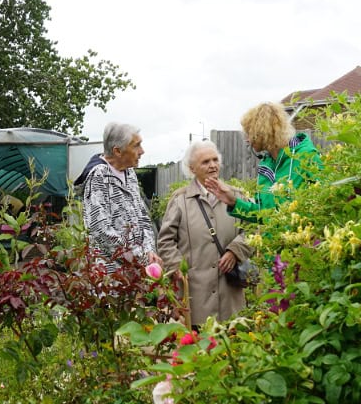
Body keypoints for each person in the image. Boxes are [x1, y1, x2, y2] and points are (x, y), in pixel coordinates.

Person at [158, 141, 252, 325]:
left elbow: (252, 229)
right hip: (195, 297)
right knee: (198, 350)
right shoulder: (180, 201)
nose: (212, 165)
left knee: (232, 345)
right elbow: (165, 241)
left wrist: (235, 250)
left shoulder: (236, 196)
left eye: (215, 160)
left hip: (230, 296)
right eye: (205, 162)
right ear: (192, 168)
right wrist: (179, 268)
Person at [204, 102, 323, 221]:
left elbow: (326, 203)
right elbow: (264, 216)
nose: (247, 140)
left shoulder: (306, 156)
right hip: (272, 240)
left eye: (249, 134)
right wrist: (233, 201)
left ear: (262, 133)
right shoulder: (266, 166)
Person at [82, 122, 160, 271]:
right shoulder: (98, 176)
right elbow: (101, 231)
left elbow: (143, 216)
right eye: (136, 146)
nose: (142, 151)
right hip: (111, 277)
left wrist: (150, 249)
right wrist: (141, 257)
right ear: (117, 151)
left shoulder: (129, 173)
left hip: (136, 271)